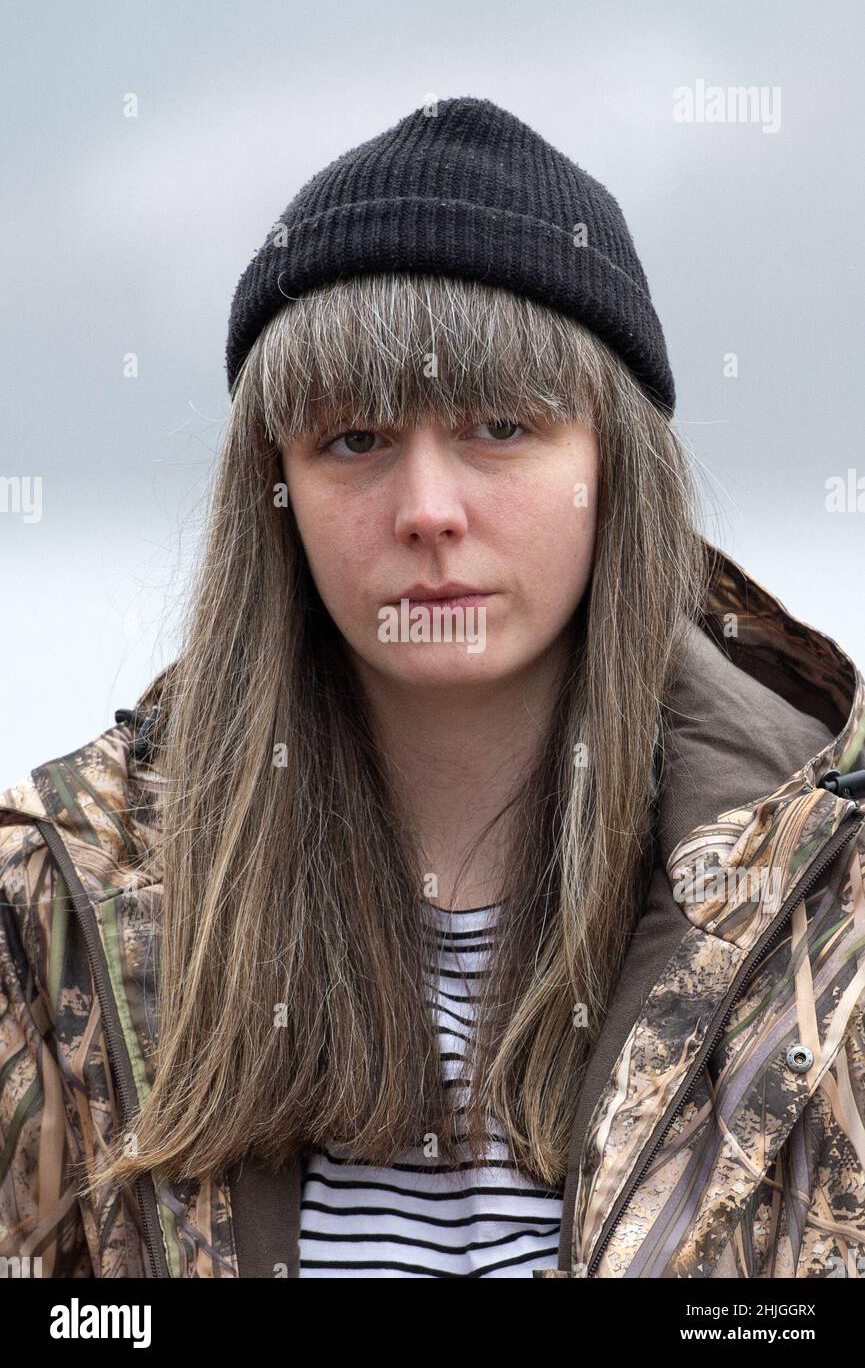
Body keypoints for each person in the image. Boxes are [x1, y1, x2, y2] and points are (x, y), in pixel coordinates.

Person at [2, 96, 864, 1281]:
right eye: (352, 439)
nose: (425, 511)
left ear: (616, 465)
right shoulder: (54, 919)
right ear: (275, 492)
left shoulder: (831, 916)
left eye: (499, 427)